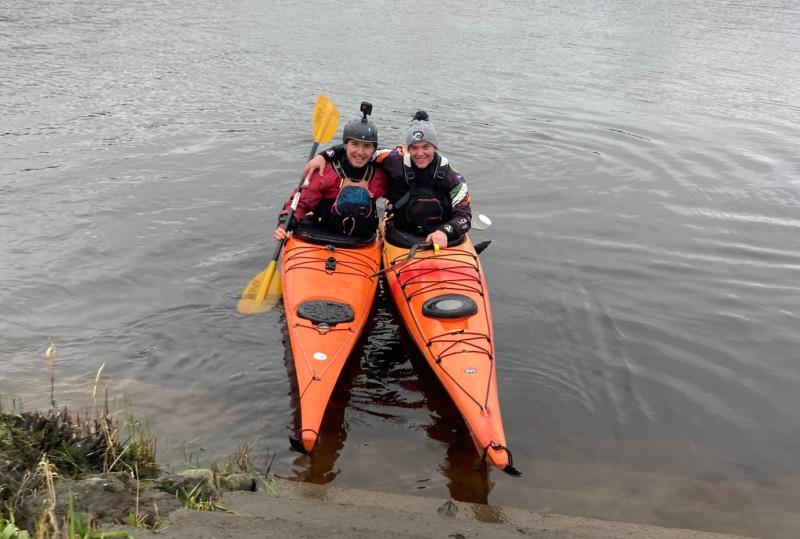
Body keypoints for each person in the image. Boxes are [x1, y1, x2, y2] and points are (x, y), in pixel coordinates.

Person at [303, 111, 471, 248]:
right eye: (414, 147)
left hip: (443, 236)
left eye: (426, 147)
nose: (420, 153)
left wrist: (445, 231)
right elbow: (359, 150)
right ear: (407, 148)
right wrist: (324, 155)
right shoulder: (392, 159)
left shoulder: (453, 177)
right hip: (401, 236)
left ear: (435, 147)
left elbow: (464, 216)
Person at [274, 103, 387, 242]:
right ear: (345, 145)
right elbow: (301, 202)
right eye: (354, 144)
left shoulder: (379, 175)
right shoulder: (325, 170)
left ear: (374, 149)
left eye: (367, 146)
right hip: (320, 234)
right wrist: (284, 225)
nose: (360, 152)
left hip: (361, 241)